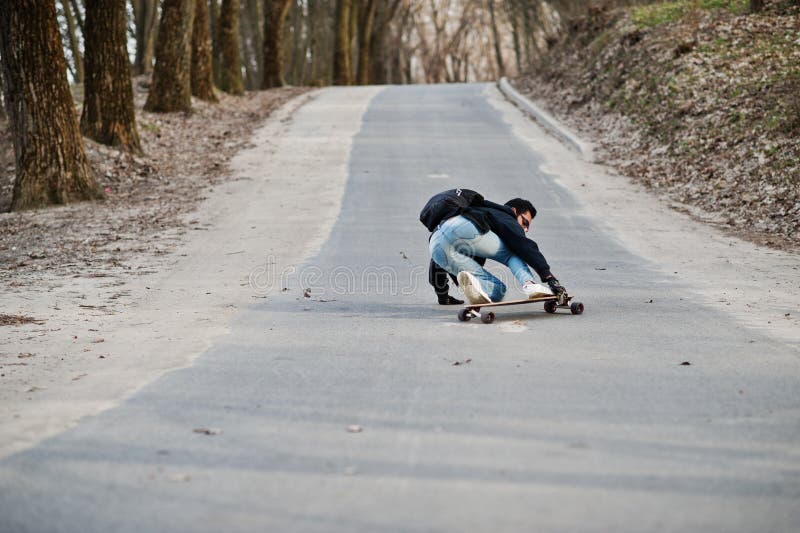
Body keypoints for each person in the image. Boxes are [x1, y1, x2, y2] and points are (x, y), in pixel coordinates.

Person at [428, 197, 567, 305]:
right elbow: (525, 246)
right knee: (513, 254)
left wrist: (443, 296)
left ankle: (477, 287)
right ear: (514, 211)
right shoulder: (506, 215)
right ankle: (530, 285)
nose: (525, 229)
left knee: (497, 291)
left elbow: (436, 265)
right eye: (524, 223)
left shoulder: (483, 210)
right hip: (464, 227)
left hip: (435, 243)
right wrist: (549, 277)